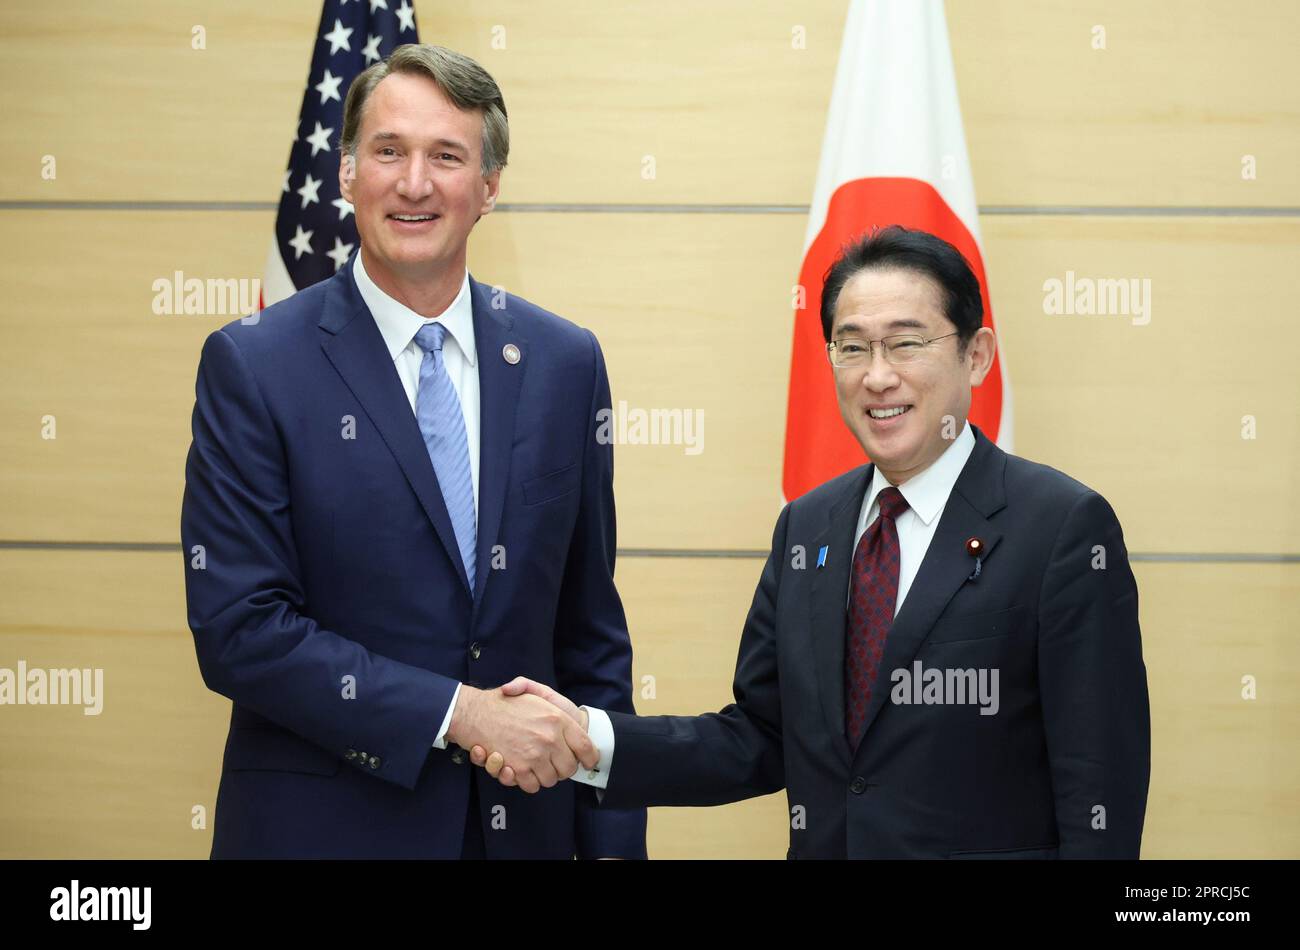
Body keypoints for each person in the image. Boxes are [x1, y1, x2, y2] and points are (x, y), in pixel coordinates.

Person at [472, 226, 1151, 859]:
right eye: (852, 346)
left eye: (907, 343)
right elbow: (759, 738)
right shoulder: (810, 527)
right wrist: (590, 737)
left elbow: (1098, 791)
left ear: (976, 356)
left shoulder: (1061, 529)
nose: (876, 376)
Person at [181, 44, 646, 859]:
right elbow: (242, 631)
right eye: (389, 151)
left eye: (447, 156)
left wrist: (612, 847)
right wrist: (463, 714)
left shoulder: (565, 363)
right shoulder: (254, 365)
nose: (415, 183)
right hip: (326, 835)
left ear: (490, 188)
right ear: (347, 172)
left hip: (524, 833)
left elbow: (590, 636)